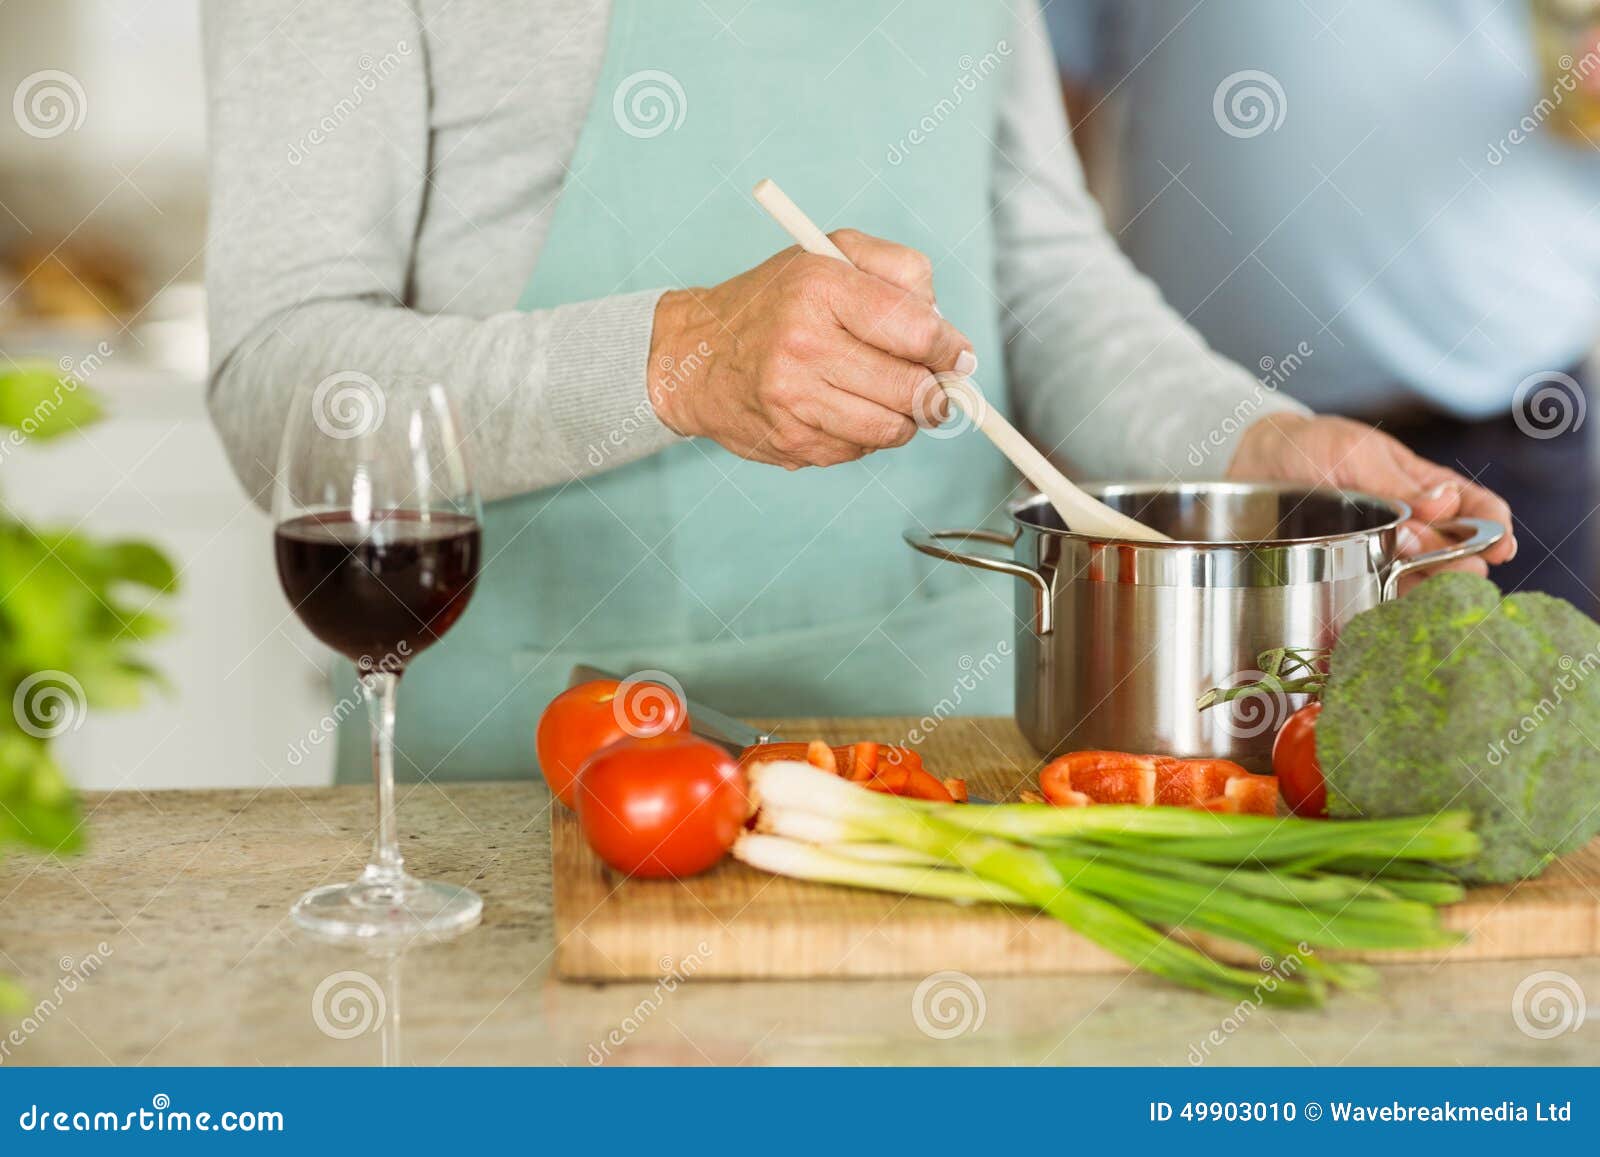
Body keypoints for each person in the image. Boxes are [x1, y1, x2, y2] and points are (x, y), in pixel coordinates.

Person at [202, 0, 1513, 782]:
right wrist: (682, 360)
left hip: (952, 753)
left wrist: (1259, 448)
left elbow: (1040, 278)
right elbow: (281, 383)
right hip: (532, 770)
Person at [1047, 0, 1590, 610]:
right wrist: (1053, 375)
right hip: (1187, 437)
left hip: (1506, 426)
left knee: (1534, 699)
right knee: (1193, 699)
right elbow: (1049, 108)